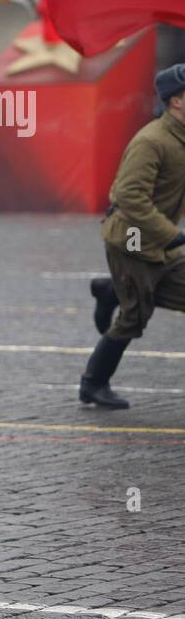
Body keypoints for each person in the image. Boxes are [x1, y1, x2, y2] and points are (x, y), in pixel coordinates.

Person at [79, 63, 185, 409]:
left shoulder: (180, 138)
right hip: (133, 241)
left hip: (159, 244)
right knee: (134, 316)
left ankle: (112, 289)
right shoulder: (152, 141)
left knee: (141, 299)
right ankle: (92, 385)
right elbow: (129, 196)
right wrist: (171, 234)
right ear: (177, 101)